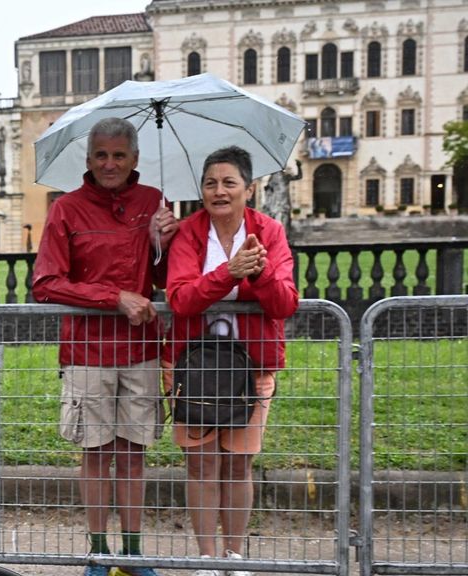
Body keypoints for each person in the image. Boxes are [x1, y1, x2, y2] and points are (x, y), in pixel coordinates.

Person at [32, 117, 179, 576]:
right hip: (88, 352)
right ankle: (99, 553)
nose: (110, 164)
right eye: (101, 155)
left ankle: (132, 554)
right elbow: (46, 282)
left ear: (135, 159)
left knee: (134, 453)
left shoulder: (153, 203)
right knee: (95, 452)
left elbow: (166, 280)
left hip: (139, 349)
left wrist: (165, 245)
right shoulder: (67, 210)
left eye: (119, 155)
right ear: (88, 159)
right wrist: (113, 298)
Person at [162, 146, 298, 576]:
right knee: (200, 462)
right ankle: (205, 557)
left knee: (239, 463)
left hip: (251, 366)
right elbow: (181, 299)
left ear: (249, 188)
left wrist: (257, 272)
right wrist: (229, 272)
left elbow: (284, 303)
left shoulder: (269, 232)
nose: (218, 191)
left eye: (228, 182)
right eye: (210, 183)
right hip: (193, 364)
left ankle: (234, 555)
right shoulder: (188, 233)